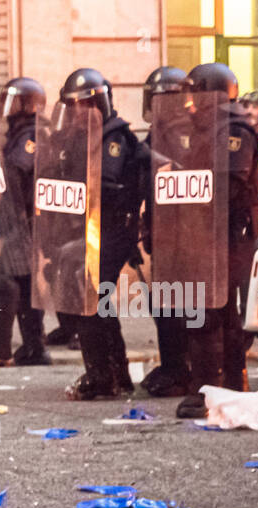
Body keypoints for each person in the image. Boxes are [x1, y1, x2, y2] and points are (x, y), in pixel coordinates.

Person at [174, 62, 258, 418]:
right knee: (219, 311)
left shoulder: (234, 130)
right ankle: (228, 386)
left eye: (196, 94)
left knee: (209, 311)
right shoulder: (206, 130)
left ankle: (209, 389)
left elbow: (228, 182)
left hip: (227, 236)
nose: (190, 103)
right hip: (205, 234)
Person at [61, 68, 147, 401]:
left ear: (98, 104)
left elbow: (107, 184)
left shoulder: (114, 137)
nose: (78, 113)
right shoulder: (86, 137)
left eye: (83, 106)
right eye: (74, 107)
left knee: (91, 299)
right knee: (97, 300)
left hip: (113, 230)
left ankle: (101, 375)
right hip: (98, 231)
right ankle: (116, 374)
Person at [0, 77, 49, 367]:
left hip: (26, 221)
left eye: (13, 101)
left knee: (4, 282)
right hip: (16, 218)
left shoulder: (34, 134)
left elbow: (16, 168)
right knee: (26, 284)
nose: (8, 108)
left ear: (28, 104)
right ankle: (34, 347)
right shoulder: (16, 133)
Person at [138, 65, 192, 398]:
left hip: (186, 235)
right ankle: (173, 365)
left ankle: (180, 370)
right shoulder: (153, 137)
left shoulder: (190, 135)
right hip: (162, 231)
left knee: (177, 305)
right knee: (164, 303)